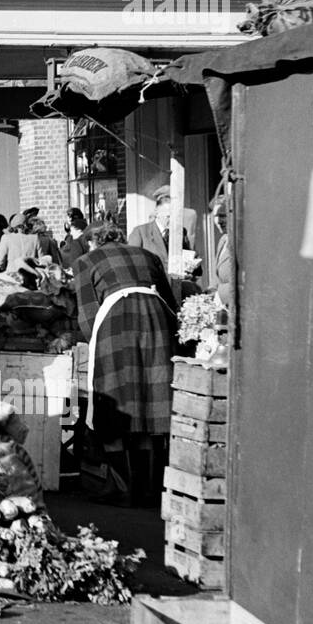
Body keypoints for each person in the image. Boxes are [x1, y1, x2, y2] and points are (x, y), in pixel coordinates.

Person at [74, 222, 179, 505]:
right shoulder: (149, 255)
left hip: (116, 321)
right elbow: (171, 302)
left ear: (93, 242)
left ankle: (122, 487)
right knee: (148, 401)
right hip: (156, 321)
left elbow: (87, 313)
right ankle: (150, 487)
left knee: (115, 400)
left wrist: (93, 341)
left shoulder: (86, 260)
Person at [129, 186, 193, 267]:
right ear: (156, 212)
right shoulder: (140, 232)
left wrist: (192, 264)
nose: (172, 221)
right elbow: (132, 262)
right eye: (168, 216)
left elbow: (191, 260)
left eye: (175, 217)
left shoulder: (181, 232)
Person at [211, 193, 232, 310]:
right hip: (222, 307)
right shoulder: (223, 240)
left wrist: (221, 294)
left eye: (222, 215)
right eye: (215, 216)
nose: (219, 221)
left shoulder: (242, 241)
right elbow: (216, 278)